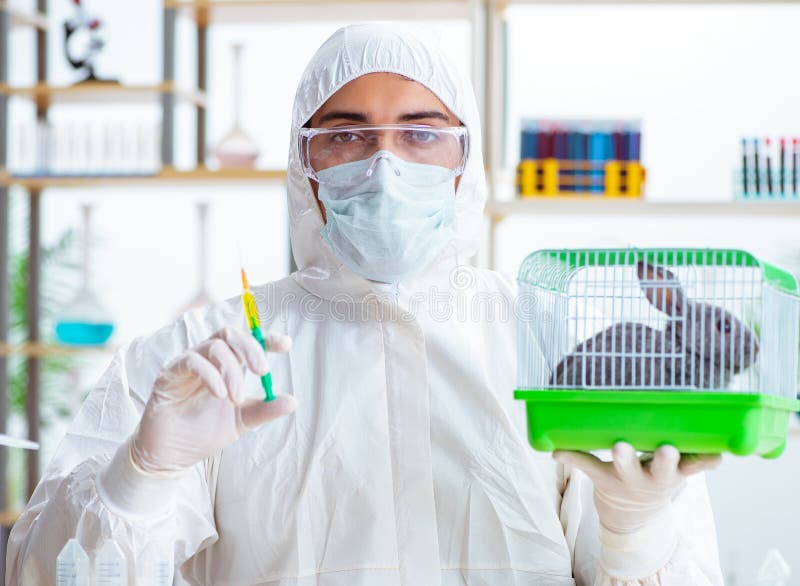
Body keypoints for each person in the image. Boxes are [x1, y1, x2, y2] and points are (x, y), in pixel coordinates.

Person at [6, 23, 724, 586]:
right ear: (304, 164)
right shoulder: (204, 357)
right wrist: (140, 477)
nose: (385, 166)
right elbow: (42, 574)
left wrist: (636, 530)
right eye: (346, 135)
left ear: (464, 161)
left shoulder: (549, 338)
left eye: (422, 133)